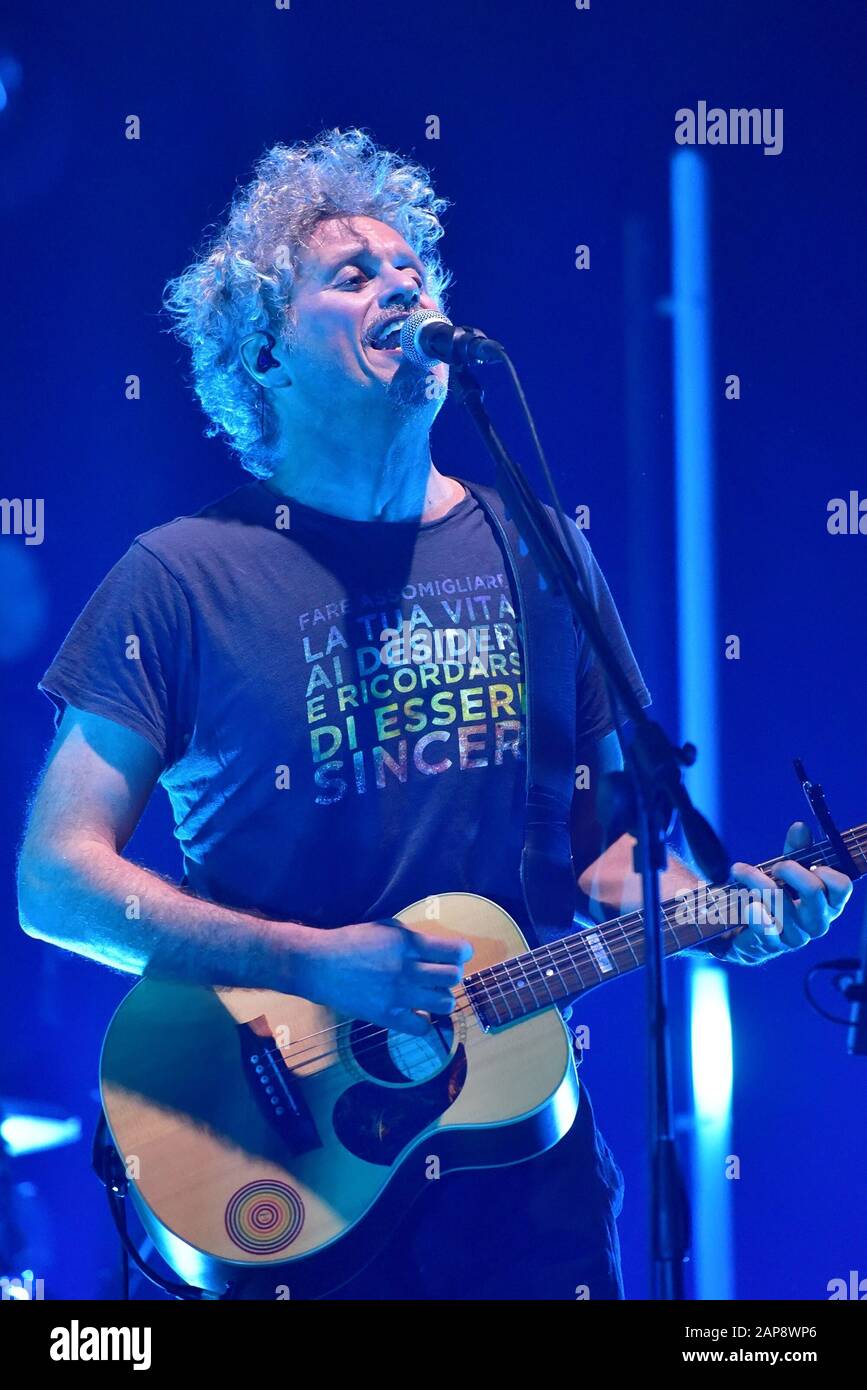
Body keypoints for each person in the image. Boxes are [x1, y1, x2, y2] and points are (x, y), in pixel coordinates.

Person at [17, 129, 852, 1300]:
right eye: (353, 277)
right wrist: (317, 965)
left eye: (413, 271)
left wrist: (724, 911)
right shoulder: (181, 576)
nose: (403, 287)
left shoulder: (542, 553)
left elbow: (609, 864)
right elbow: (53, 882)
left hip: (519, 1170)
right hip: (281, 1143)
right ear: (263, 351)